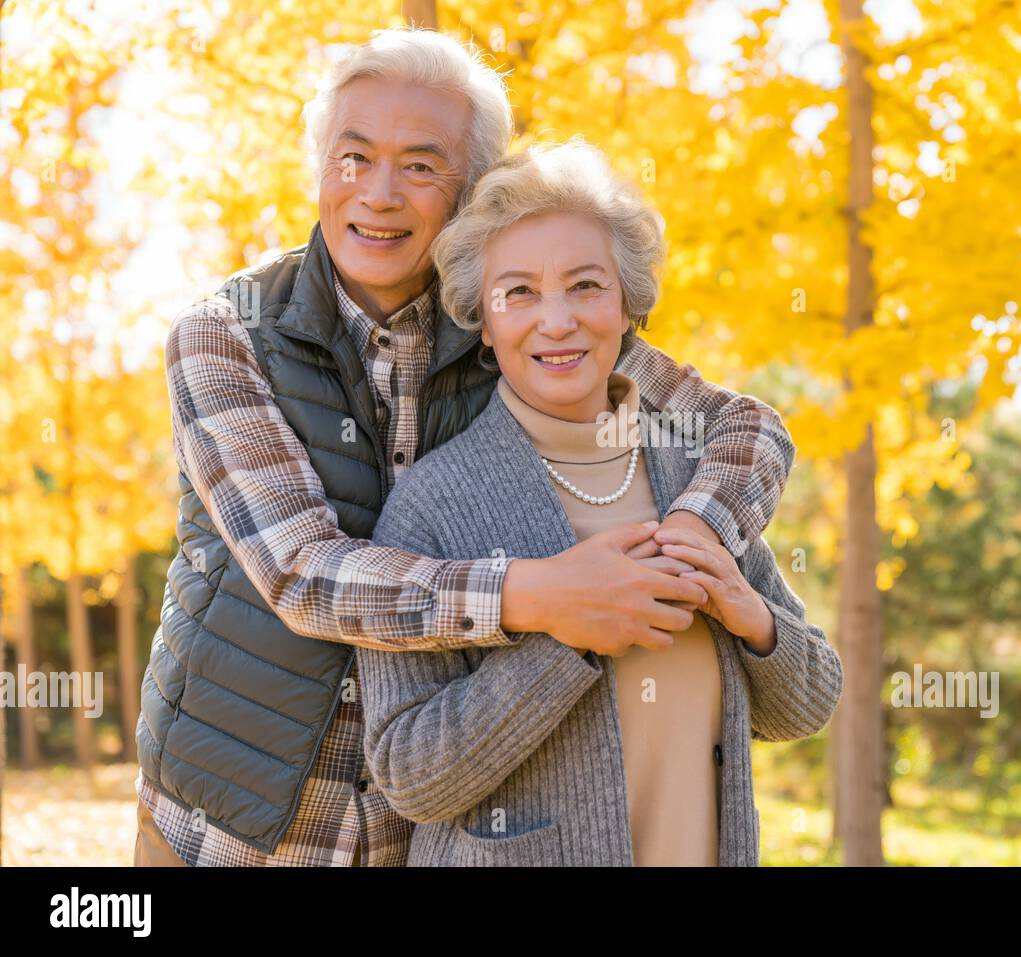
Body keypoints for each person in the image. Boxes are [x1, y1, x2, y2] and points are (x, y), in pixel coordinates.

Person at [133, 28, 795, 866]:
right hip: (233, 823)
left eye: (420, 165)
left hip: (418, 834)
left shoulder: (516, 314)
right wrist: (537, 594)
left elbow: (747, 428)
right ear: (319, 169)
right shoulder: (225, 333)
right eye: (353, 157)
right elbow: (300, 573)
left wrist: (698, 530)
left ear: (471, 187)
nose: (378, 194)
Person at [358, 140, 842, 866]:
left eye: (585, 286)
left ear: (626, 307)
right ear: (484, 323)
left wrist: (752, 616)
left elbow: (807, 702)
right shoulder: (432, 502)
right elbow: (410, 774)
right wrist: (569, 632)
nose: (556, 321)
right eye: (518, 292)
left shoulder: (694, 475)